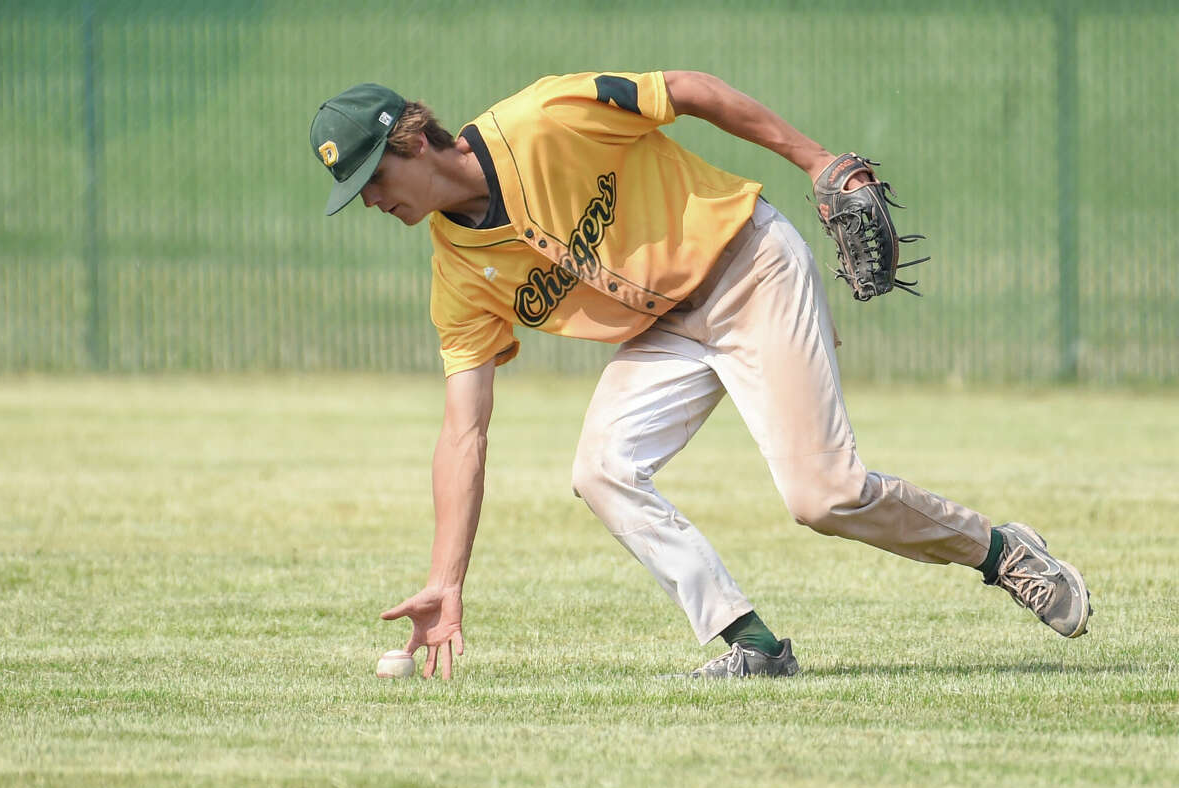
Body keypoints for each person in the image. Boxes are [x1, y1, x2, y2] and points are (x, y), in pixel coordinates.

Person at [309, 71, 1092, 680]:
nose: (371, 202)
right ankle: (749, 641)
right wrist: (446, 579)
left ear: (411, 140)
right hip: (664, 330)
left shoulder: (542, 120)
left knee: (823, 496)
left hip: (749, 268)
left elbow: (685, 91)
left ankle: (1002, 551)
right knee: (601, 469)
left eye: (372, 179)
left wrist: (816, 161)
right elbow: (463, 429)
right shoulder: (458, 270)